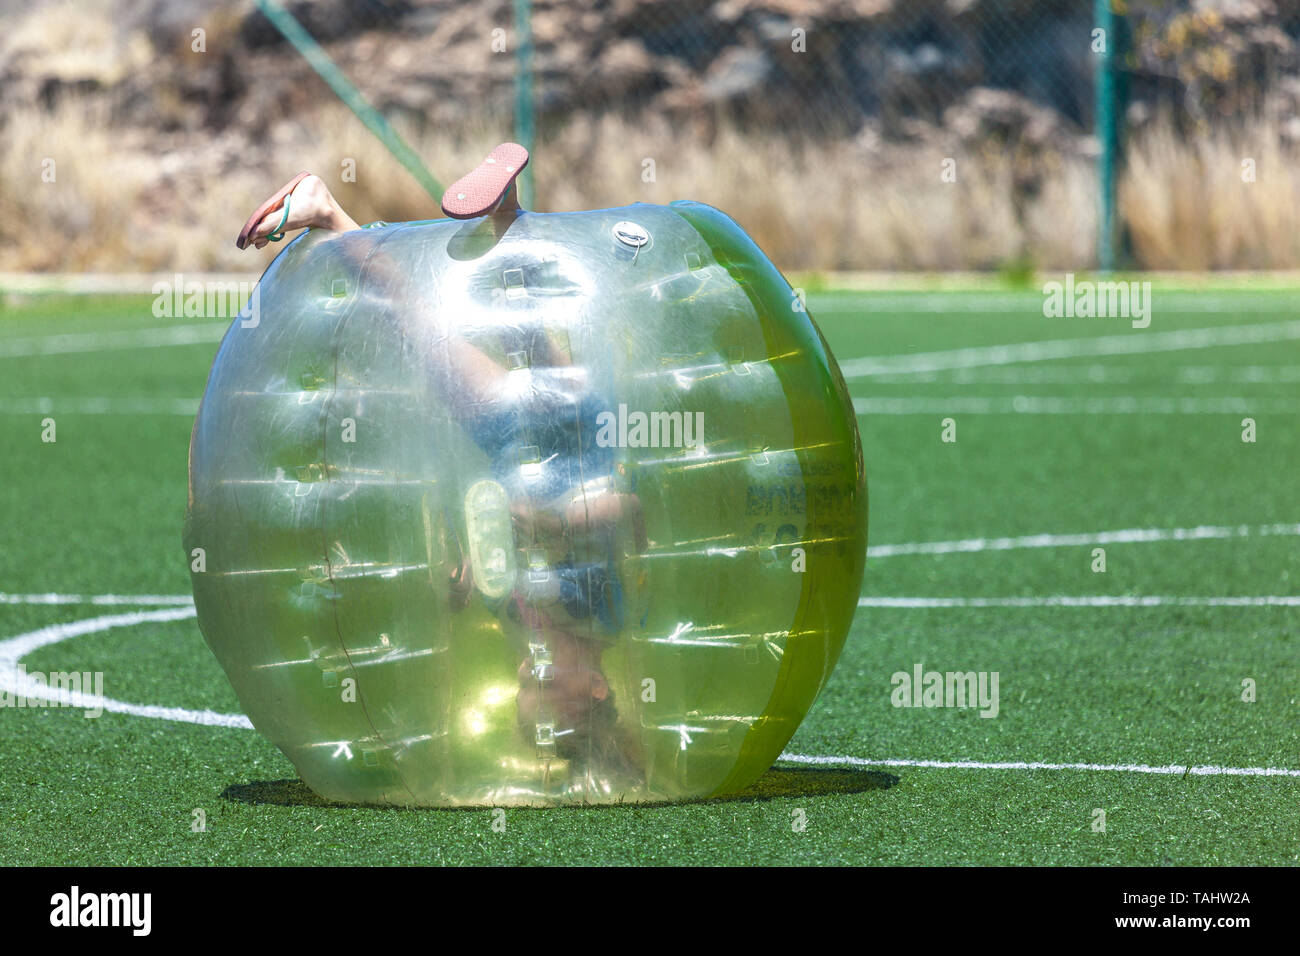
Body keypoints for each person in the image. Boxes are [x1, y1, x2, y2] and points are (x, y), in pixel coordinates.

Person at [236, 147, 646, 784]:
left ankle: (327, 209)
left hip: (508, 437)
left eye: (520, 691)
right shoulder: (606, 619)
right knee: (534, 330)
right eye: (542, 689)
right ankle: (506, 214)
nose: (521, 678)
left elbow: (491, 539)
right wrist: (558, 520)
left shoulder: (525, 626)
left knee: (416, 324)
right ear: (594, 688)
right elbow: (630, 513)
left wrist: (466, 567)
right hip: (576, 427)